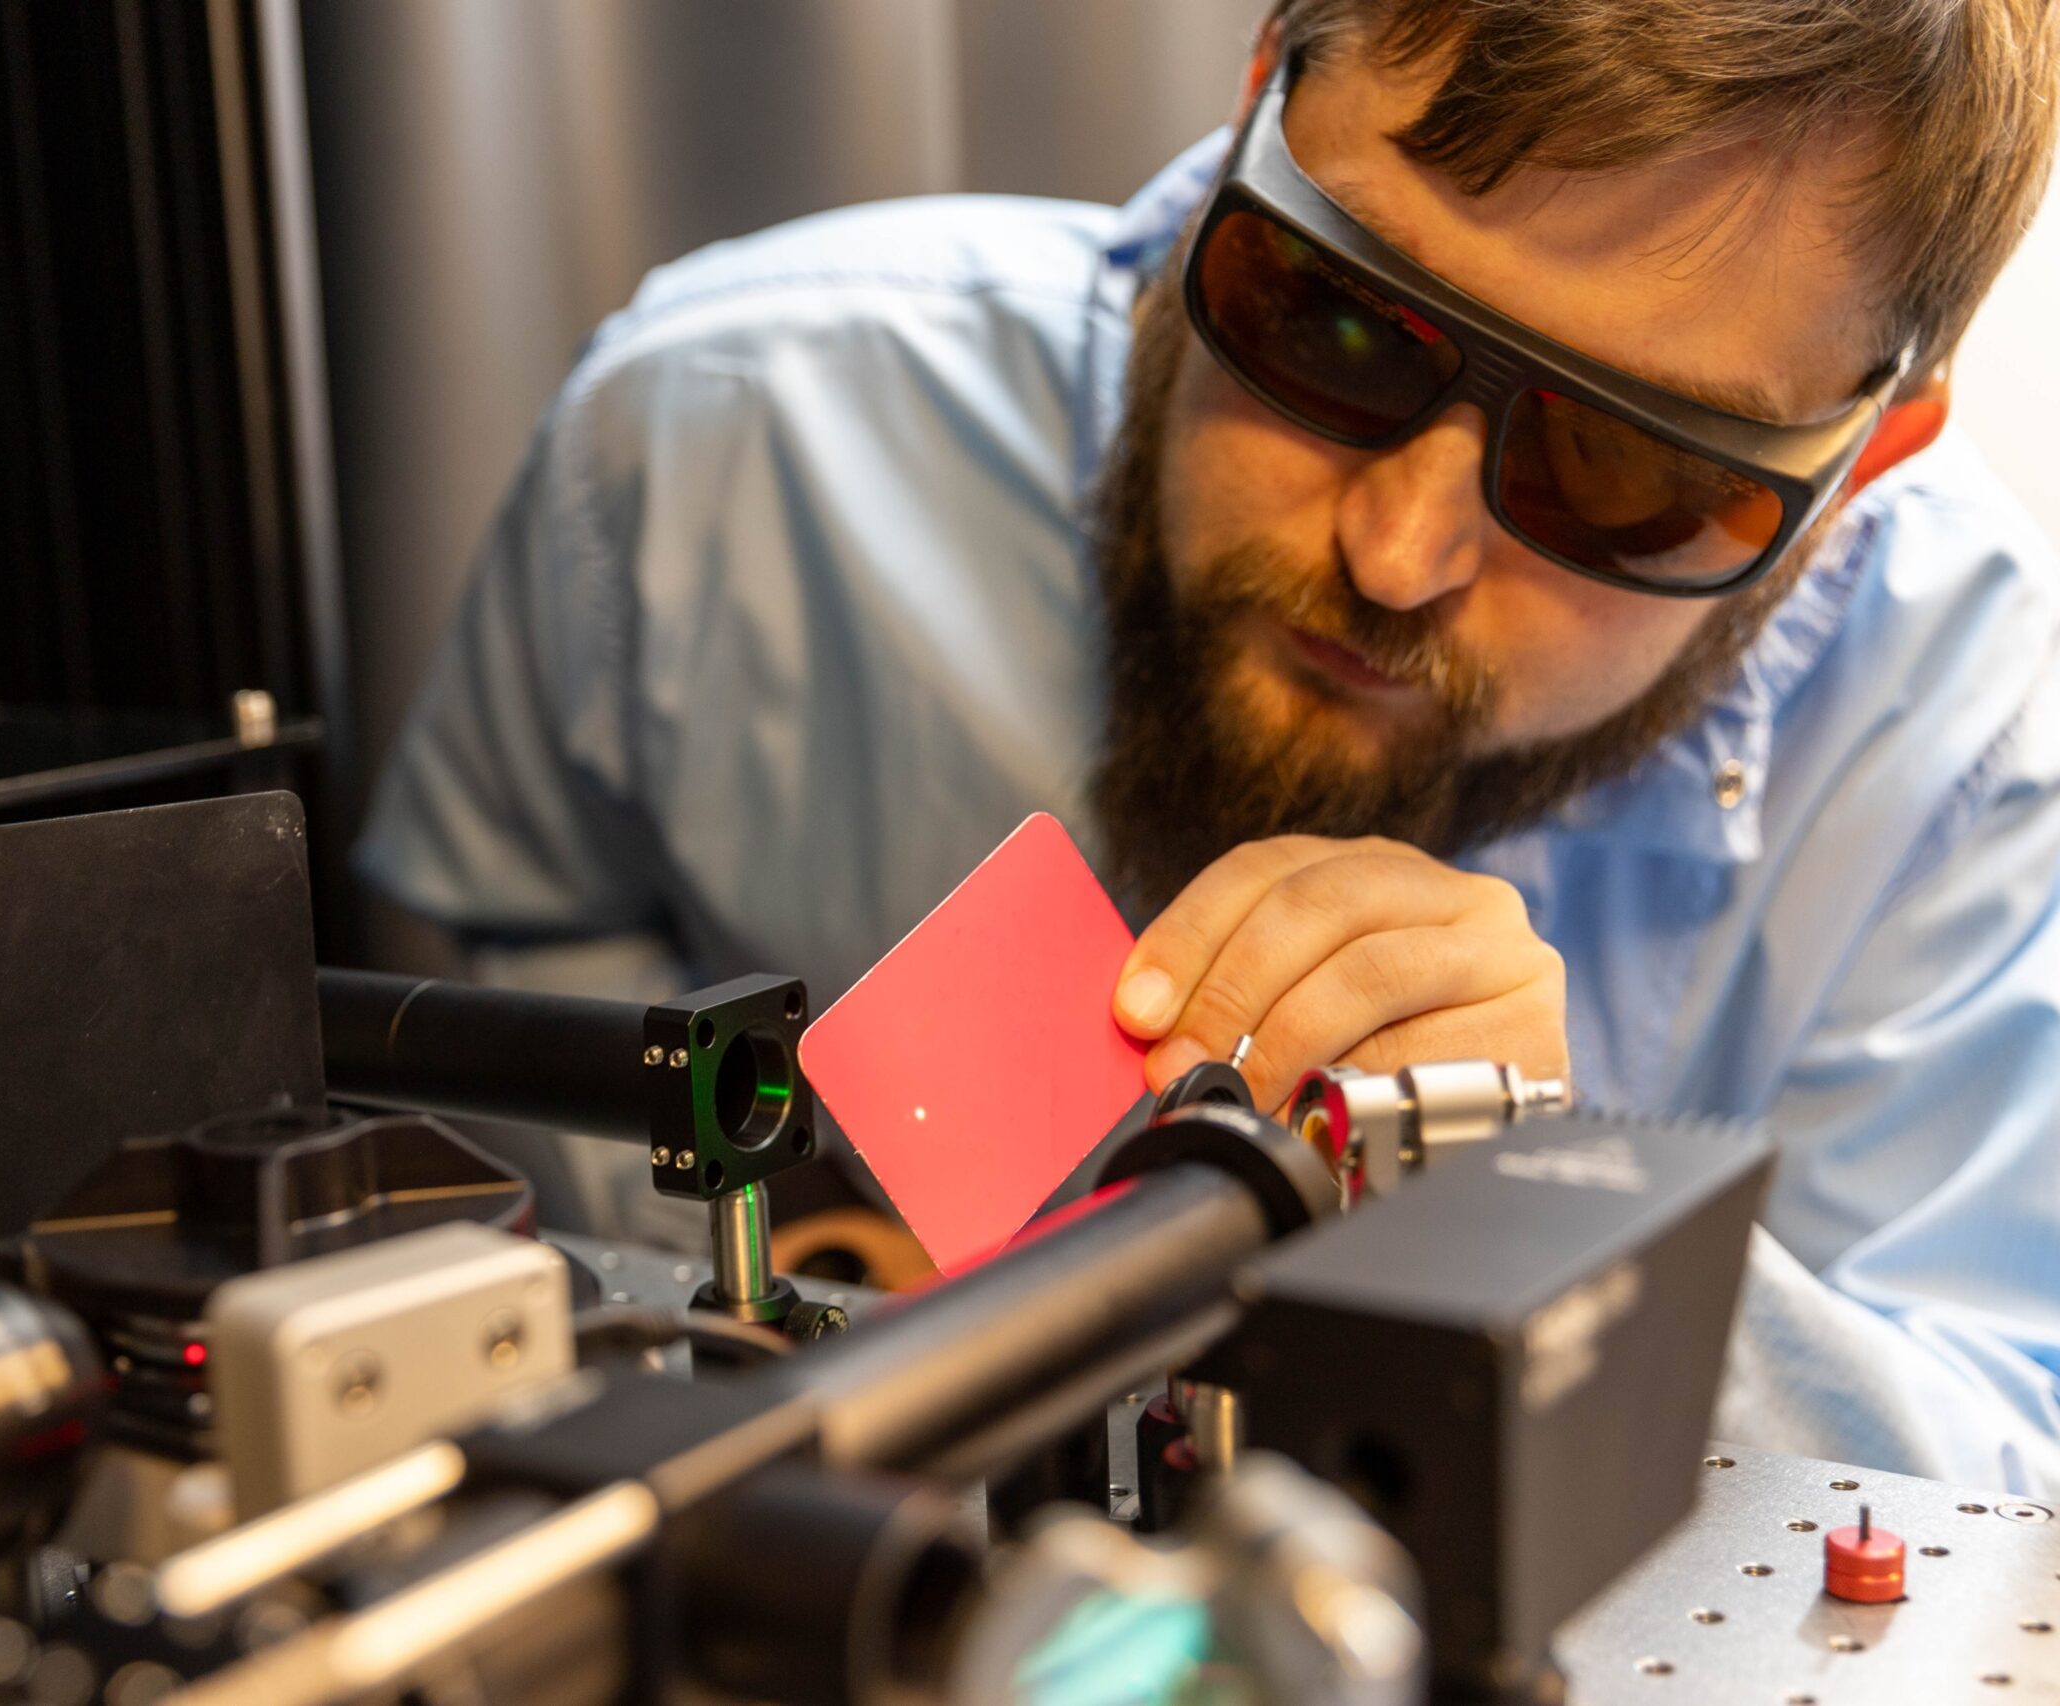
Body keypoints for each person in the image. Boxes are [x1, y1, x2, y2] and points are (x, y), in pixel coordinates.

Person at [357, 0, 2060, 1496]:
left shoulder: (1958, 742)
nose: (1397, 555)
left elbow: (2002, 1487)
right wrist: (763, 1266)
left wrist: (1552, 1204)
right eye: (1333, 320)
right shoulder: (725, 446)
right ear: (1256, 104)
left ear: (1866, 464)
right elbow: (493, 940)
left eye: (1622, 473)